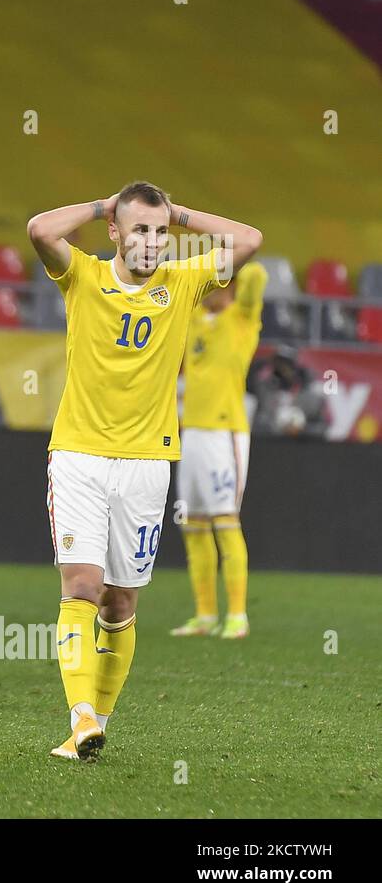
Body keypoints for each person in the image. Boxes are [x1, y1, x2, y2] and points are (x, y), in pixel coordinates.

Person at [27, 181, 262, 759]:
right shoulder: (82, 275)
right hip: (79, 455)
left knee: (121, 603)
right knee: (82, 586)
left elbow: (250, 239)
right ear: (115, 232)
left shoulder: (184, 282)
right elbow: (39, 229)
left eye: (160, 232)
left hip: (149, 463)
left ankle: (94, 724)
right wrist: (101, 204)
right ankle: (80, 713)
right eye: (140, 230)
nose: (152, 242)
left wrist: (180, 214)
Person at [173, 261, 268, 640]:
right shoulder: (195, 320)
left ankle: (238, 615)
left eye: (219, 284)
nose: (211, 289)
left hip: (224, 434)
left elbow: (257, 276)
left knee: (226, 523)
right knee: (193, 526)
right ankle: (205, 614)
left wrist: (233, 259)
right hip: (191, 432)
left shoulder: (242, 319)